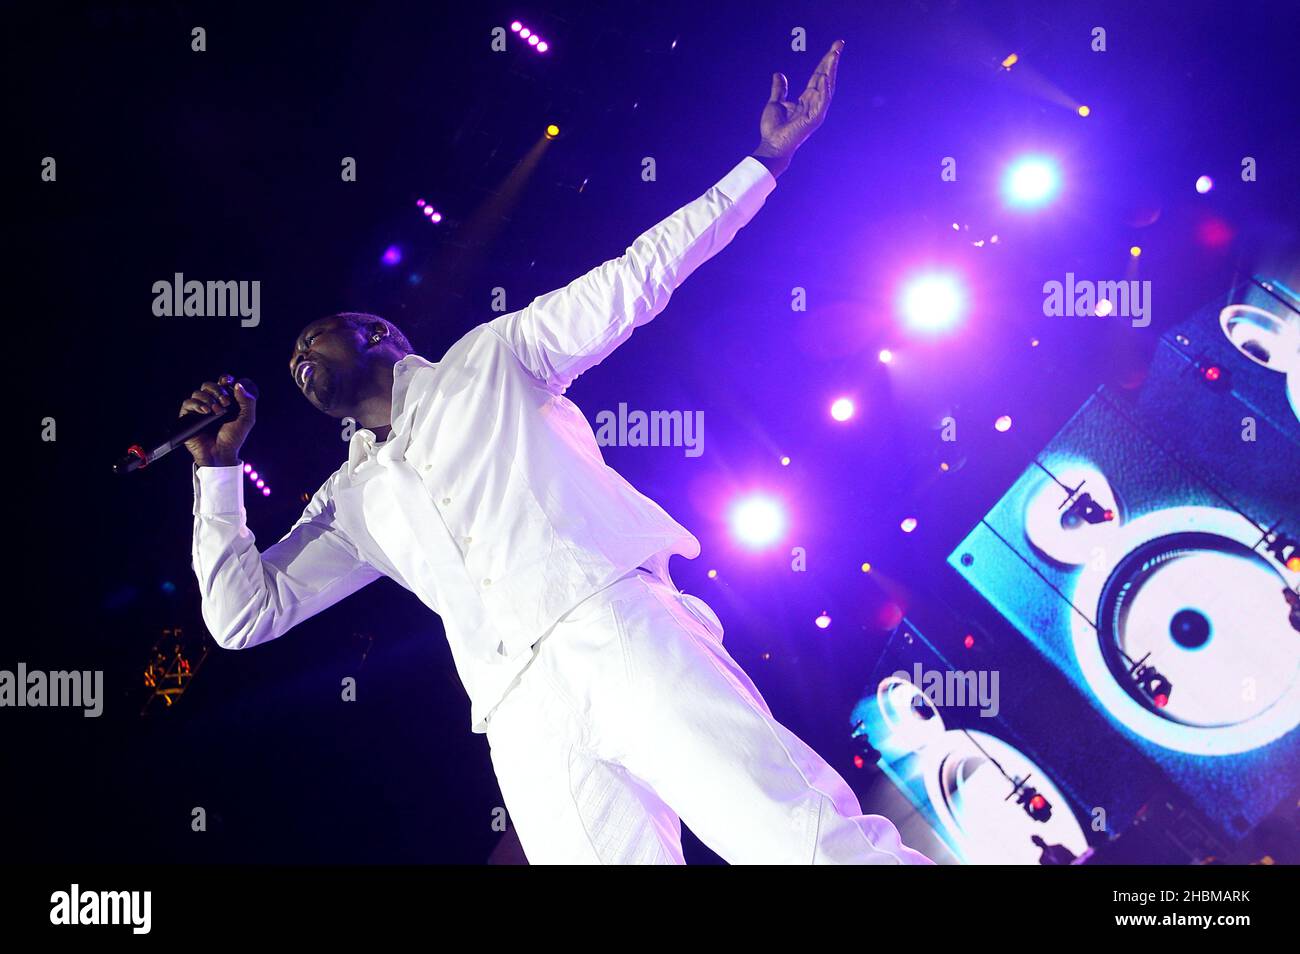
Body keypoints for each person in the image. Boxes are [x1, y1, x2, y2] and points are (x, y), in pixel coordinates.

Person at [184, 40, 933, 864]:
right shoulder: (350, 502)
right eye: (292, 356)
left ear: (381, 335)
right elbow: (241, 617)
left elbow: (639, 275)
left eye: (312, 334)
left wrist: (763, 162)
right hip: (516, 709)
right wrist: (218, 474)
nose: (299, 353)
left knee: (793, 838)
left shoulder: (494, 357)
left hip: (610, 622)